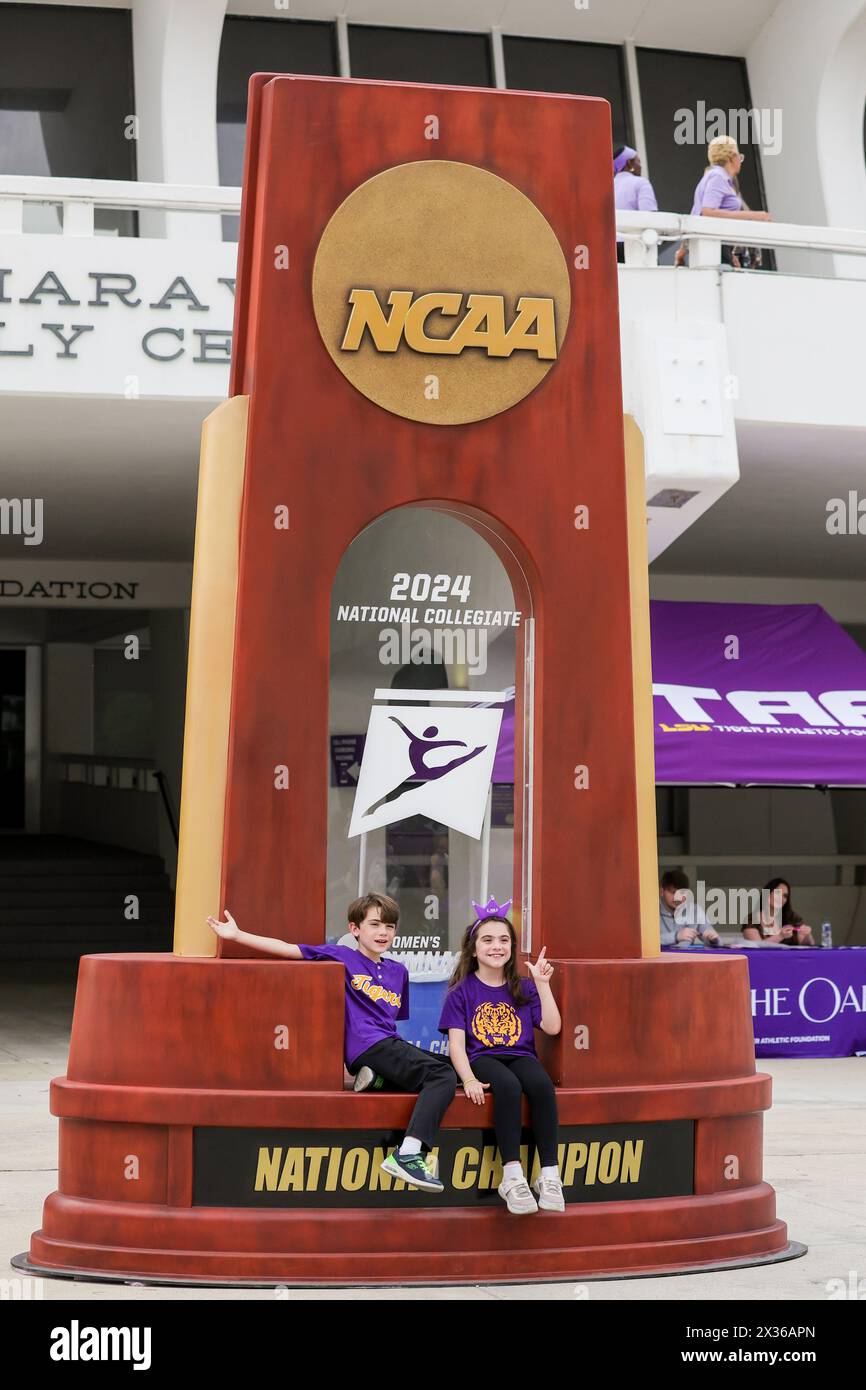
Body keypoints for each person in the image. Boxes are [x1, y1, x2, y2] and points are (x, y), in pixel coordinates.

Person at [207, 891, 457, 1192]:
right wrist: (237, 935)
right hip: (365, 1045)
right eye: (375, 924)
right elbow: (289, 950)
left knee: (453, 1068)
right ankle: (408, 1154)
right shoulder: (343, 956)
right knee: (441, 1075)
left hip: (386, 1045)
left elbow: (392, 1022)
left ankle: (378, 1080)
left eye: (389, 926)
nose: (383, 933)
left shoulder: (398, 971)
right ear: (355, 929)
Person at [438, 896, 563, 1215]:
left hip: (520, 1054)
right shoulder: (461, 991)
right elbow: (456, 1044)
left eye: (504, 940)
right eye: (488, 940)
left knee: (541, 1085)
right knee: (507, 1086)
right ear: (474, 948)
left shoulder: (523, 986)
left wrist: (543, 984)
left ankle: (549, 1173)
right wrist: (467, 1079)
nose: (497, 946)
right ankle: (512, 1174)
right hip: (483, 1057)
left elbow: (551, 1027)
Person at [675, 135, 772, 267]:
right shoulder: (718, 177)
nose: (740, 161)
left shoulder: (714, 177)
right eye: (739, 156)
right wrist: (754, 215)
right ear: (732, 157)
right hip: (714, 248)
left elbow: (696, 213)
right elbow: (708, 211)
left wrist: (682, 251)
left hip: (717, 246)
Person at [613, 144, 658, 263]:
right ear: (629, 164)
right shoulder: (641, 183)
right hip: (634, 247)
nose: (640, 166)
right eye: (638, 161)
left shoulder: (608, 186)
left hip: (610, 248)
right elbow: (649, 217)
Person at [742, 877, 815, 946]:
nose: (781, 898)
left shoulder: (792, 917)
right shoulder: (751, 920)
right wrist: (780, 936)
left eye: (785, 896)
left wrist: (808, 935)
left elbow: (809, 945)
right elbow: (756, 947)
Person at [659, 869, 721, 946]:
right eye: (673, 892)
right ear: (661, 892)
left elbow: (718, 942)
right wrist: (676, 936)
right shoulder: (650, 911)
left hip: (685, 958)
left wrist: (713, 939)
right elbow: (644, 942)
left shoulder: (694, 910)